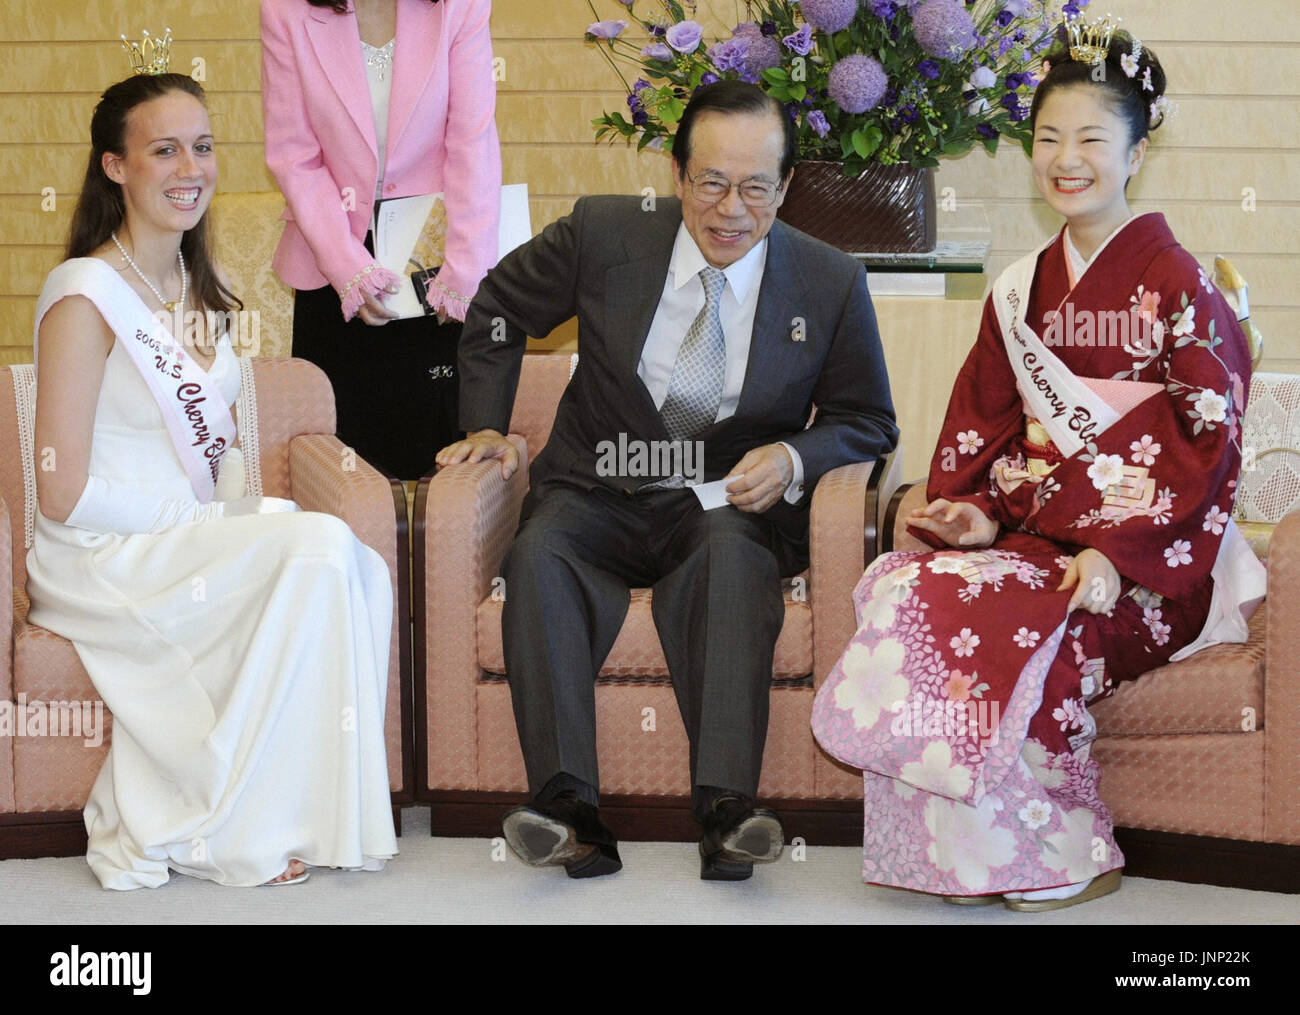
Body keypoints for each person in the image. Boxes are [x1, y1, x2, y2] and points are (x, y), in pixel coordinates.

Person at [811, 22, 1266, 911]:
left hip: (1150, 563)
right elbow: (981, 432)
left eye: (1092, 138)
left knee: (1036, 640)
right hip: (1037, 540)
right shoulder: (1019, 290)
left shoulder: (1180, 286)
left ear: (1138, 148)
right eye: (1049, 137)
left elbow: (1203, 442)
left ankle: (1070, 847)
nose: (1067, 158)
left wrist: (1115, 550)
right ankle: (955, 856)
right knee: (910, 588)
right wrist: (970, 514)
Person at [438, 80, 898, 880]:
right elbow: (501, 306)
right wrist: (485, 423)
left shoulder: (828, 281)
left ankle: (727, 814)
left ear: (786, 186)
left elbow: (868, 420)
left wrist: (793, 458)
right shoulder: (605, 231)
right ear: (678, 175)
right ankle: (567, 811)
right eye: (712, 182)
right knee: (539, 554)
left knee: (730, 557)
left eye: (756, 186)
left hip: (725, 505)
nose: (731, 208)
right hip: (596, 487)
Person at [25, 65, 398, 889]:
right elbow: (62, 489)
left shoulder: (194, 284)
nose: (190, 168)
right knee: (310, 548)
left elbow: (216, 447)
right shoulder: (84, 294)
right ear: (114, 166)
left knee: (349, 563)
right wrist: (216, 528)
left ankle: (293, 812)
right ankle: (213, 830)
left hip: (181, 536)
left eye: (202, 146)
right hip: (100, 548)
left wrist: (234, 513)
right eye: (164, 150)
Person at [260, 0, 501, 480]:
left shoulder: (460, 7)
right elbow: (294, 155)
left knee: (440, 472)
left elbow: (471, 140)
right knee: (339, 476)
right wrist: (348, 267)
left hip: (437, 267)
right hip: (332, 264)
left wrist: (464, 269)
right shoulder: (284, 11)